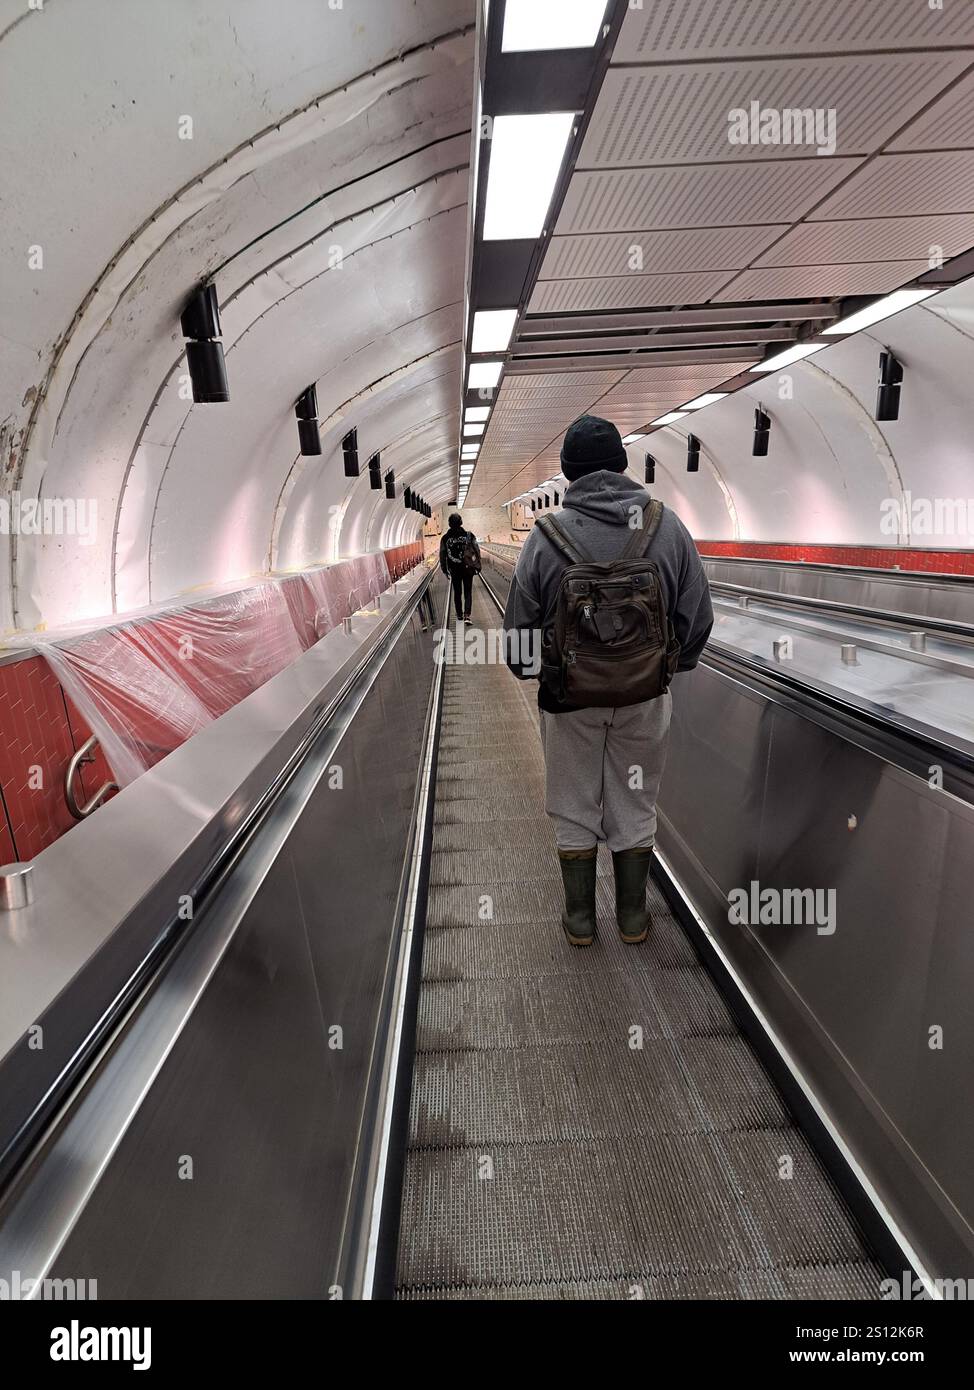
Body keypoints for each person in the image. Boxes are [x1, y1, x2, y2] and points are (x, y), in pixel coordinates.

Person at [503, 415, 713, 948]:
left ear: (567, 475)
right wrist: (666, 668)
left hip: (569, 699)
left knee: (573, 800)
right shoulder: (667, 526)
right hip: (645, 696)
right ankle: (634, 920)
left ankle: (579, 922)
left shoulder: (544, 537)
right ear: (623, 466)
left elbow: (520, 632)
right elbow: (697, 616)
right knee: (635, 799)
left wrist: (536, 673)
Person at [439, 512, 482, 624]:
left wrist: (444, 569)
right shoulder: (469, 535)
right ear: (461, 522)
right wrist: (478, 565)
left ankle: (459, 615)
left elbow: (442, 554)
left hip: (454, 570)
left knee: (457, 592)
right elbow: (477, 550)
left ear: (449, 523)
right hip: (468, 568)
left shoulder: (445, 538)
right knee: (468, 592)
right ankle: (467, 615)